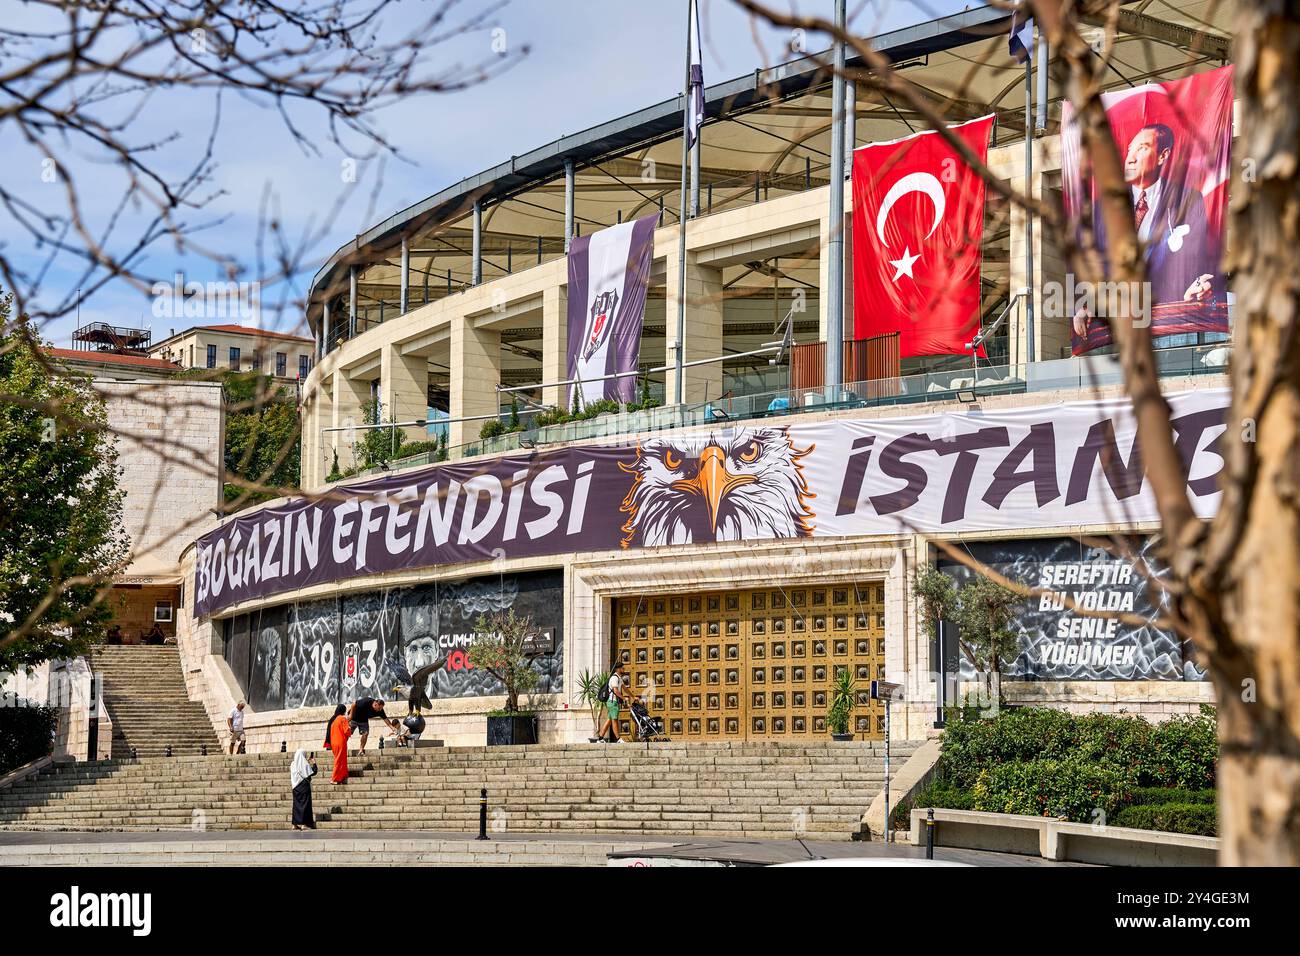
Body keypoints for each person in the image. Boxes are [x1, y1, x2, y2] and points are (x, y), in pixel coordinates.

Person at [597, 662, 630, 744]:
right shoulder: (614, 678)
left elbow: (625, 689)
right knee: (614, 720)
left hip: (612, 702)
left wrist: (633, 696)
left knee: (609, 720)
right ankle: (618, 739)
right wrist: (624, 698)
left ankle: (600, 738)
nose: (624, 669)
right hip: (612, 702)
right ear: (618, 669)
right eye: (622, 668)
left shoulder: (619, 678)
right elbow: (615, 690)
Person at [290, 749, 317, 830]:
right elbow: (313, 772)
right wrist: (314, 763)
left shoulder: (293, 764)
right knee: (305, 805)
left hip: (295, 787)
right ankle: (304, 824)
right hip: (304, 787)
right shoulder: (305, 764)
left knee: (296, 805)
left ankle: (294, 824)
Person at [326, 705, 352, 785]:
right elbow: (347, 731)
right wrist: (350, 729)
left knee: (342, 759)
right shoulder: (343, 718)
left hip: (334, 743)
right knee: (339, 760)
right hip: (340, 742)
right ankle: (334, 778)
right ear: (343, 711)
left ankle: (343, 775)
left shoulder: (334, 720)